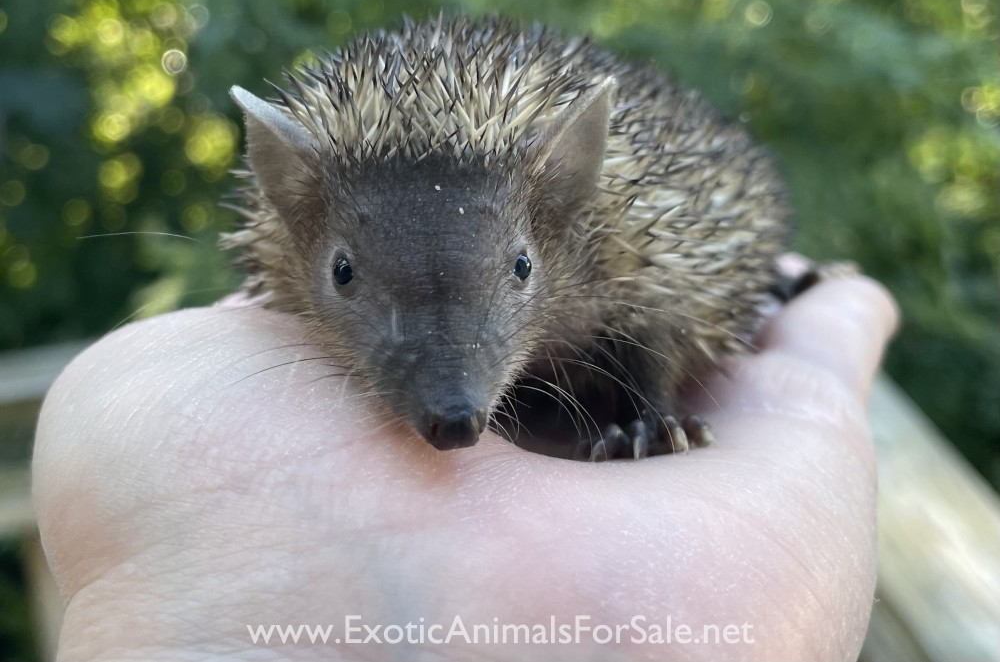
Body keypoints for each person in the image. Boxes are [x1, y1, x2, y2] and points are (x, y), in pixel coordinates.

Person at [32, 260, 897, 661]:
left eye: (517, 268)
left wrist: (644, 413)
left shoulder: (617, 273)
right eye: (343, 272)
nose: (451, 408)